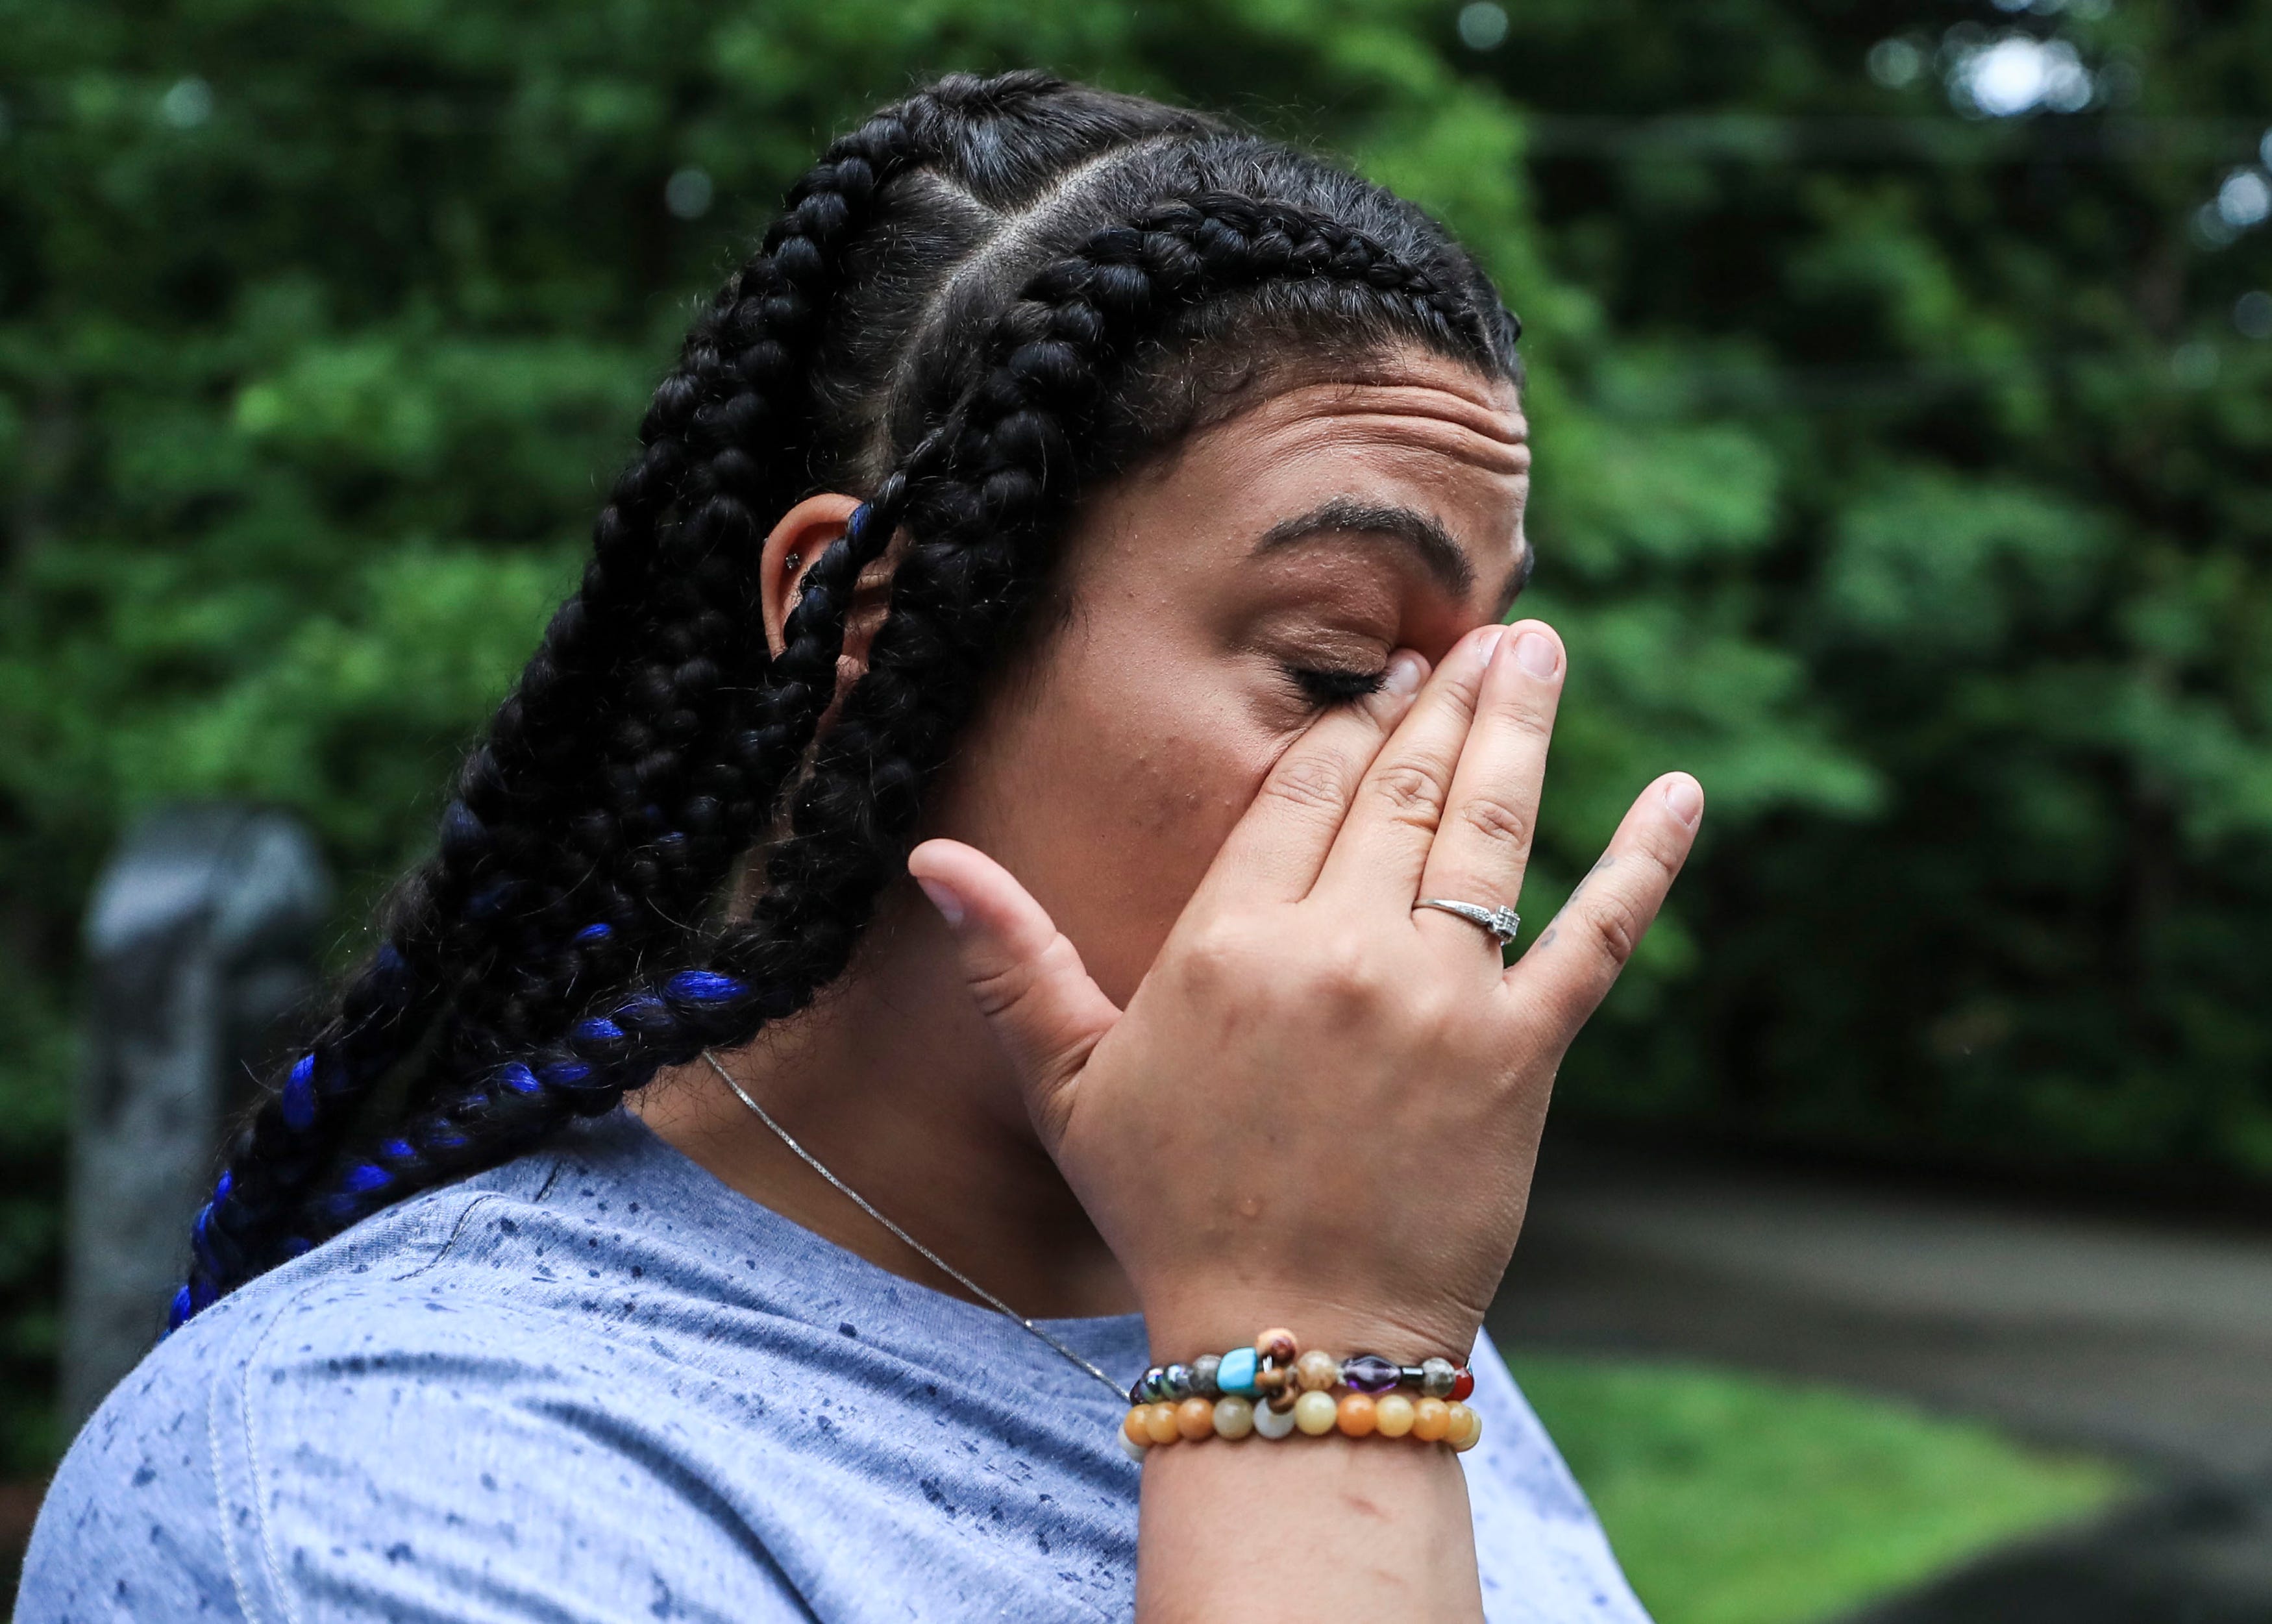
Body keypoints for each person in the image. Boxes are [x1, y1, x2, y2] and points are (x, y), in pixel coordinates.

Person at [18, 71, 1701, 1622]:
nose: (1461, 773)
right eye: (1336, 668)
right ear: (874, 631)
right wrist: (1311, 1368)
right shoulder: (367, 1485)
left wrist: (1328, 1332)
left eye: (1487, 670)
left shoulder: (1334, 1284)